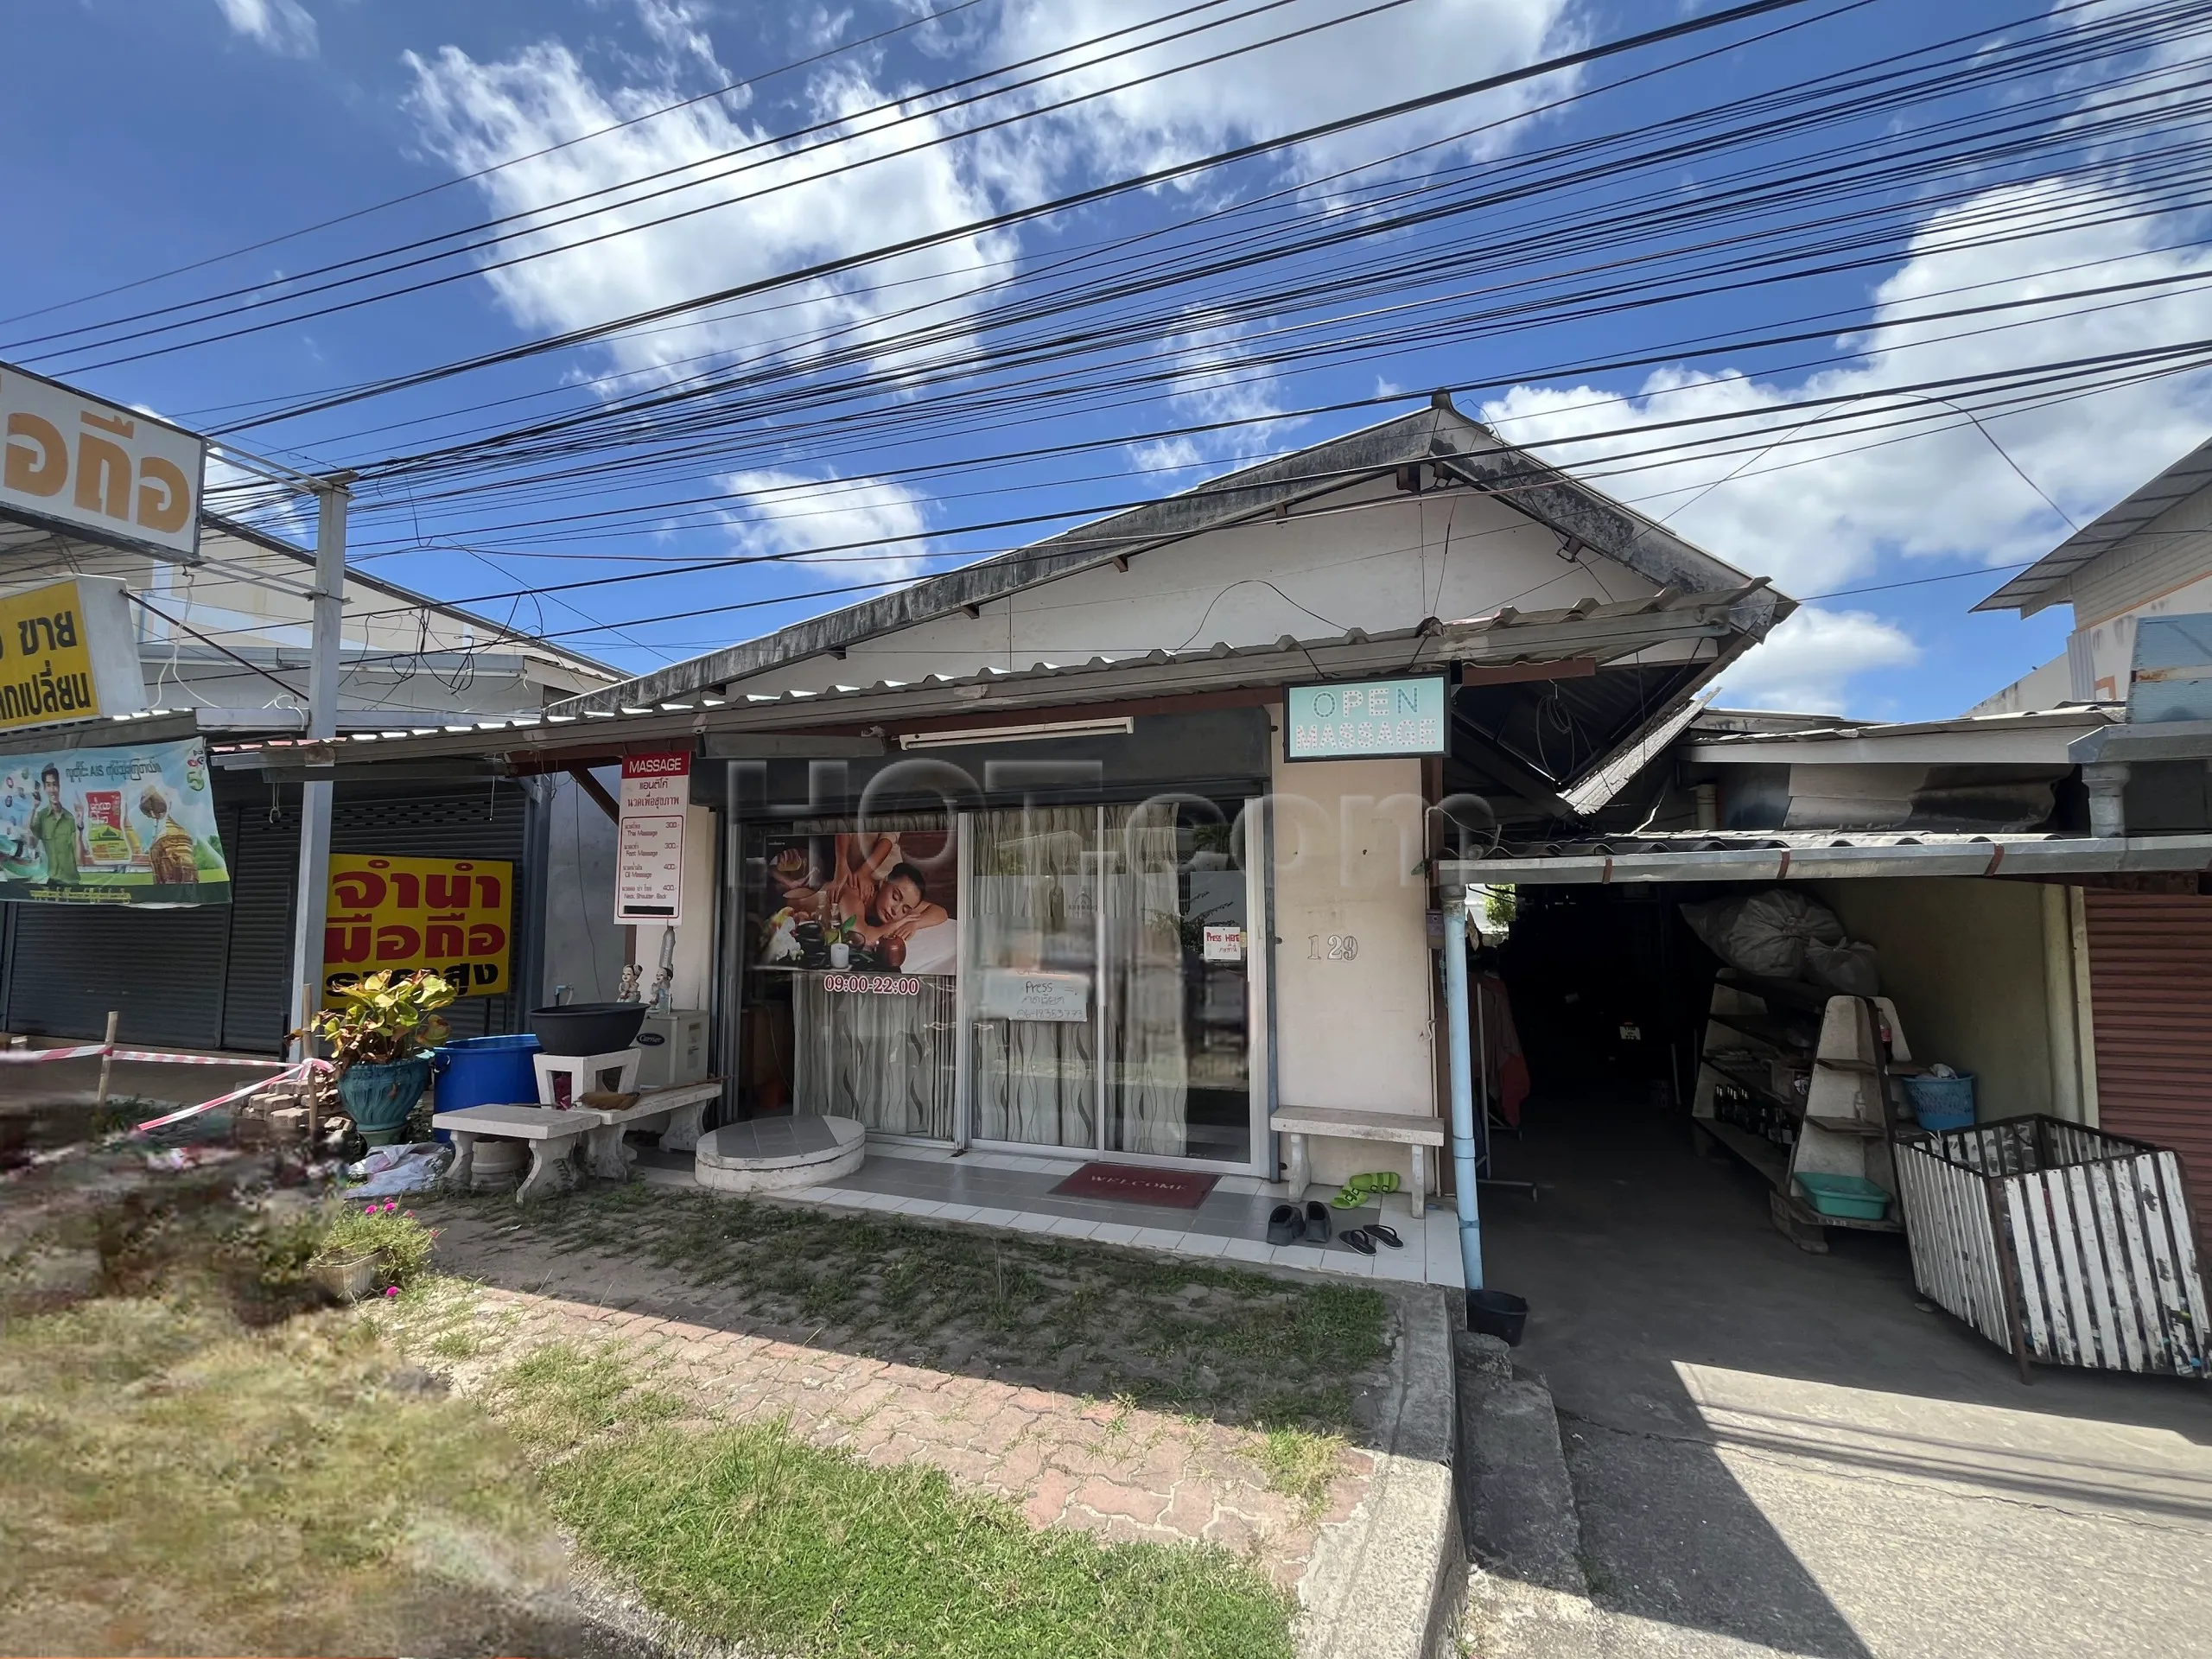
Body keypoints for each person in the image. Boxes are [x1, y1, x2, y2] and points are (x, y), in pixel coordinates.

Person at [28, 766, 81, 884]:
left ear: (59, 786)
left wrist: (79, 828)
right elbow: (31, 844)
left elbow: (79, 859)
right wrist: (34, 807)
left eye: (55, 784)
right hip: (52, 880)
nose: (52, 789)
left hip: (71, 881)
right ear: (44, 788)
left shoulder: (70, 818)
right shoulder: (41, 817)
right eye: (48, 785)